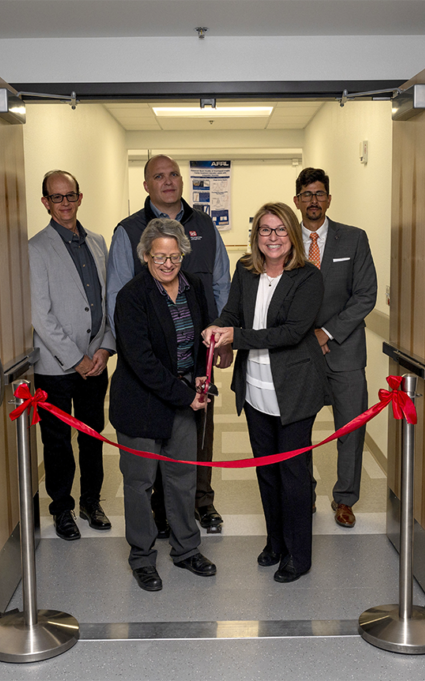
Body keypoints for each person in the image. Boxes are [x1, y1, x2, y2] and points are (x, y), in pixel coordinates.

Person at [107, 154, 232, 535]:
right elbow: (120, 300)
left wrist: (222, 341)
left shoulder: (205, 226)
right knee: (149, 454)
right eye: (158, 176)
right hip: (151, 367)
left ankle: (199, 506)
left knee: (195, 440)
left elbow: (221, 285)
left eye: (174, 173)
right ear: (146, 185)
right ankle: (157, 522)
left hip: (197, 359)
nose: (168, 180)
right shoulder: (128, 231)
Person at [202, 203, 328, 583]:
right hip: (255, 388)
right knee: (267, 472)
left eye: (280, 230)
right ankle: (275, 543)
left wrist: (235, 337)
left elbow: (291, 333)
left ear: (292, 234)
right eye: (264, 230)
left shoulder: (308, 278)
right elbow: (233, 313)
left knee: (293, 474)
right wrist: (218, 328)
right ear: (256, 236)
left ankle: (298, 554)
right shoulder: (245, 271)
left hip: (294, 390)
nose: (272, 237)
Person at [110, 219, 217, 592]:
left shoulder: (196, 288)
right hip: (141, 404)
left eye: (174, 256)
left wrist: (203, 375)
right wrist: (186, 394)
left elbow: (204, 337)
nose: (168, 263)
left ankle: (187, 550)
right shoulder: (132, 297)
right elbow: (142, 362)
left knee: (182, 481)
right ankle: (141, 557)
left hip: (184, 400)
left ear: (183, 254)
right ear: (145, 256)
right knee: (140, 485)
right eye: (160, 256)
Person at [29, 170, 115, 540]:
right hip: (56, 367)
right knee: (58, 441)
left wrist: (104, 348)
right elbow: (40, 315)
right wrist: (74, 358)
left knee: (93, 433)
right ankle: (61, 508)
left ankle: (91, 501)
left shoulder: (97, 242)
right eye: (57, 197)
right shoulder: (35, 248)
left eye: (71, 196)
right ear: (46, 202)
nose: (65, 203)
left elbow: (109, 301)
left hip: (95, 361)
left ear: (80, 198)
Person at [293, 168, 377, 529]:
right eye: (307, 194)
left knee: (350, 430)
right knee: (297, 429)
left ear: (329, 198)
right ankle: (304, 493)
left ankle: (345, 498)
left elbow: (365, 295)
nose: (314, 200)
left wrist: (326, 333)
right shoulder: (284, 239)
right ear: (296, 200)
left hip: (344, 352)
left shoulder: (354, 239)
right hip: (297, 354)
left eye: (320, 193)